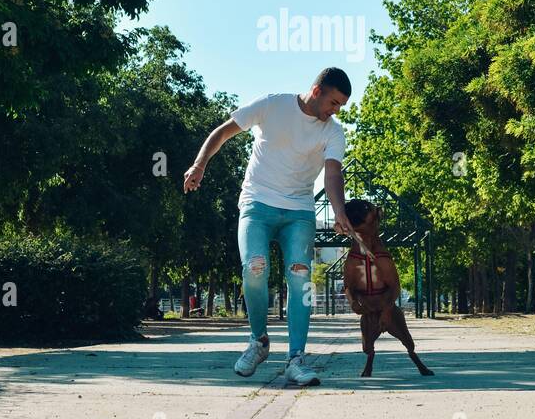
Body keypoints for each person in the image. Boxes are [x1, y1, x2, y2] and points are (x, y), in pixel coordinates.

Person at [183, 67, 355, 385]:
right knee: (254, 267)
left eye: (340, 106)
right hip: (257, 204)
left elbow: (333, 173)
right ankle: (259, 341)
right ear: (317, 91)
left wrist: (339, 210)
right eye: (334, 102)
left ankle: (296, 358)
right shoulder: (272, 106)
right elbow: (222, 132)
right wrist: (199, 164)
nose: (336, 111)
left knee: (301, 274)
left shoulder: (333, 132)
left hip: (299, 212)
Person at [342, 198, 433, 379]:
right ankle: (369, 364)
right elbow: (348, 287)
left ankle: (416, 360)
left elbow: (395, 287)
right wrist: (353, 302)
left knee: (408, 342)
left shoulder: (381, 255)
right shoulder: (353, 258)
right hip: (368, 312)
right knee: (367, 347)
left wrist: (387, 310)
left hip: (387, 308)